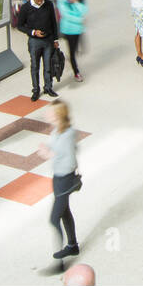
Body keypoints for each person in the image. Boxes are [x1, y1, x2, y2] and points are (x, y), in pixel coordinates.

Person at [46, 101, 82, 264]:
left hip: (64, 179)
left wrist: (49, 154)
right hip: (58, 178)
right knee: (65, 212)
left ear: (59, 116)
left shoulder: (66, 135)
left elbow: (66, 157)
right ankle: (72, 245)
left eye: (51, 114)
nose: (48, 116)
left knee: (54, 218)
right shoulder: (59, 131)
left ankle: (59, 260)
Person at [17, 0, 60, 101]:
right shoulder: (26, 8)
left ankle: (48, 87)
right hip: (34, 42)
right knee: (35, 66)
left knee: (48, 66)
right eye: (39, 0)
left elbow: (53, 22)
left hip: (48, 41)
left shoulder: (48, 4)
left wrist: (55, 39)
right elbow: (19, 25)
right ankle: (36, 89)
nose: (41, 2)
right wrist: (33, 32)